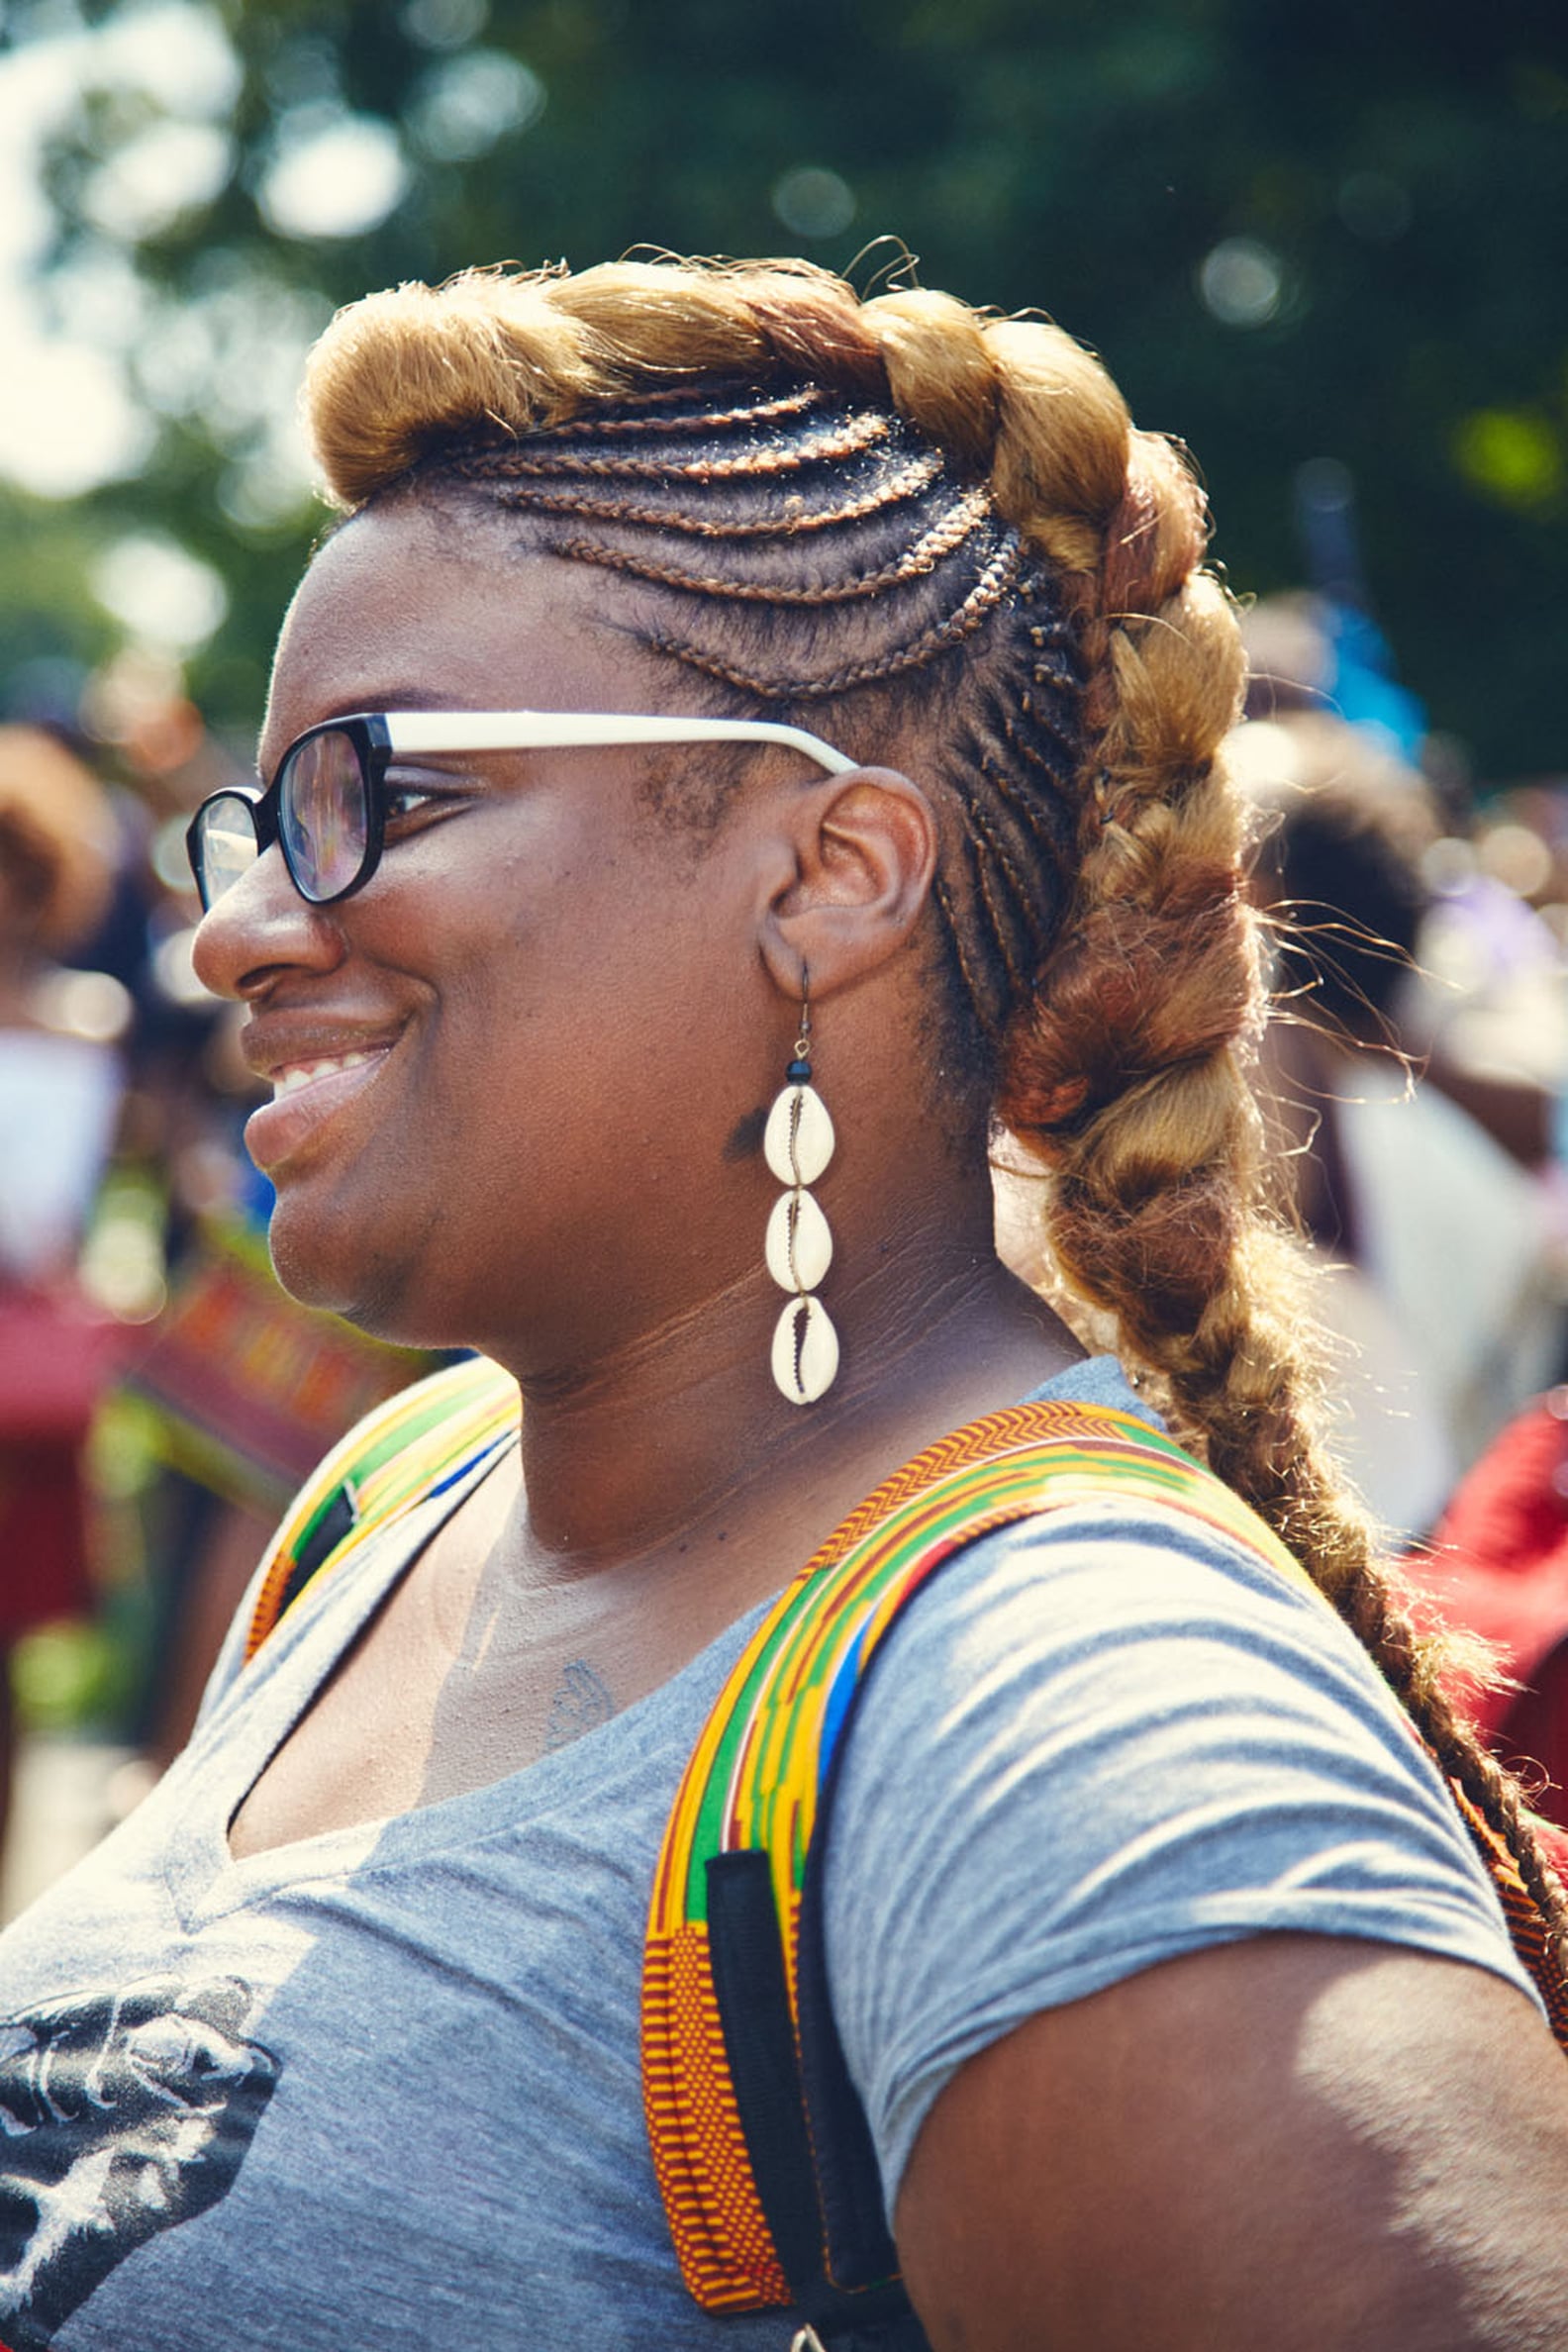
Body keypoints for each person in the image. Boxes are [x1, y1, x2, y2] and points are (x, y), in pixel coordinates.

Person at [0, 255, 1565, 2351]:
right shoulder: (408, 1496)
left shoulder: (1066, 1700)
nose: (242, 931)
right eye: (262, 820)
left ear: (835, 876)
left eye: (384, 793)